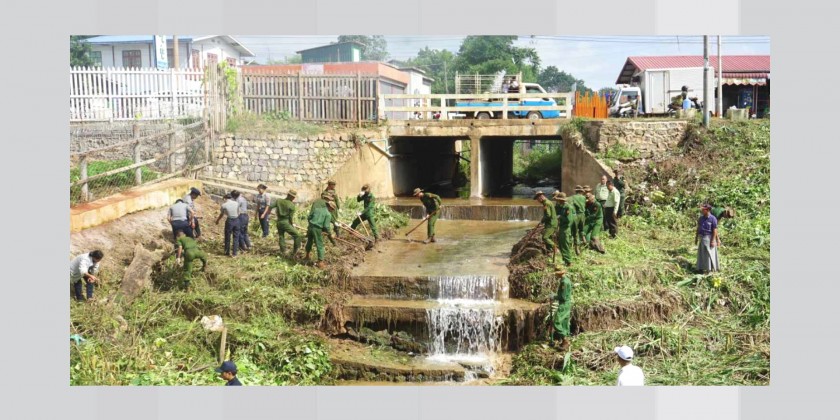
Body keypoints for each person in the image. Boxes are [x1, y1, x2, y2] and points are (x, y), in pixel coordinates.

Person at [270, 189, 303, 258]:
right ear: (291, 196)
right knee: (297, 236)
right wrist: (292, 224)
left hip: (279, 222)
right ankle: (295, 252)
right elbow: (290, 218)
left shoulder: (279, 201)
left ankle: (283, 251)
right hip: (285, 222)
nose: (294, 198)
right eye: (293, 197)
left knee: (281, 236)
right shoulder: (291, 205)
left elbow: (270, 207)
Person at [305, 197, 336, 268]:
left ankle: (307, 256)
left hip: (310, 227)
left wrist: (311, 224)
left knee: (309, 241)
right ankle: (320, 262)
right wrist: (329, 234)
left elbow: (309, 217)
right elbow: (326, 226)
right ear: (330, 208)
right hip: (317, 229)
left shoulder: (317, 209)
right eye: (332, 209)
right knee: (320, 245)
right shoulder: (328, 214)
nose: (332, 211)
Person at [550, 267, 572, 351]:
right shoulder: (566, 280)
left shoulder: (564, 282)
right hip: (567, 303)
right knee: (564, 322)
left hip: (564, 304)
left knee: (556, 322)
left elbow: (562, 297)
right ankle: (564, 341)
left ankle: (565, 340)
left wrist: (554, 296)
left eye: (556, 273)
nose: (555, 275)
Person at [695, 204, 720, 274]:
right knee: (702, 254)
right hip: (702, 238)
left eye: (703, 210)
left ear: (708, 210)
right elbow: (698, 228)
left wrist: (713, 241)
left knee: (709, 254)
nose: (702, 211)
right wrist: (696, 238)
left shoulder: (713, 218)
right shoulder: (701, 218)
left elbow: (715, 231)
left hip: (709, 237)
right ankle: (701, 268)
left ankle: (710, 269)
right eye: (702, 209)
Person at [553, 192, 573, 266]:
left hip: (565, 229)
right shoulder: (561, 206)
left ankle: (568, 261)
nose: (558, 201)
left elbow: (569, 220)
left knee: (565, 245)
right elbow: (556, 210)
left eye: (559, 200)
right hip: (561, 228)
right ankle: (565, 260)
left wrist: (560, 217)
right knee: (561, 245)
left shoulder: (568, 207)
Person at [570, 186, 587, 252]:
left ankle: (576, 248)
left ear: (576, 191)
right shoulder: (584, 197)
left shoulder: (573, 197)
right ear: (581, 191)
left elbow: (571, 204)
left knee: (575, 231)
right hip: (583, 215)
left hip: (577, 215)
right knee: (582, 229)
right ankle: (584, 240)